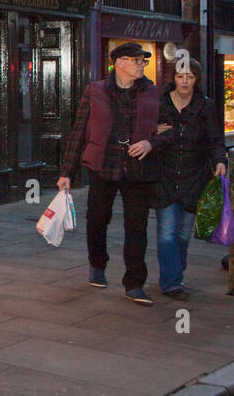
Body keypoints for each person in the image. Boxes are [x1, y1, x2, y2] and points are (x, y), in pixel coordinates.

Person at [58, 42, 169, 305]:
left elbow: (172, 129)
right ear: (120, 63)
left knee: (137, 226)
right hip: (103, 165)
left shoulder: (153, 92)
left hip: (137, 168)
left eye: (144, 61)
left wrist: (151, 142)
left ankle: (134, 283)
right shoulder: (95, 90)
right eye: (138, 60)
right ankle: (97, 264)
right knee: (98, 218)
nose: (143, 65)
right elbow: (78, 131)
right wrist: (67, 172)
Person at [152, 58, 226, 299]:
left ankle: (174, 269)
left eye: (190, 77)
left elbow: (215, 140)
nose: (184, 81)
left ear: (197, 79)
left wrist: (220, 161)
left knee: (183, 233)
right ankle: (172, 282)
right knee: (167, 232)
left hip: (194, 177)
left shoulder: (205, 106)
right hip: (165, 174)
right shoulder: (159, 103)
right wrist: (153, 132)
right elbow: (142, 130)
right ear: (173, 78)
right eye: (180, 76)